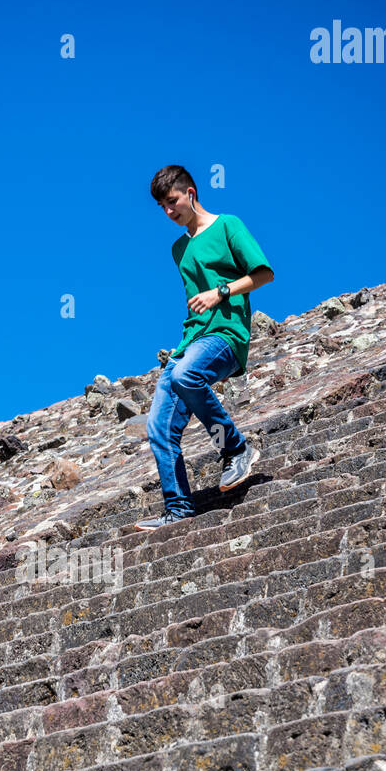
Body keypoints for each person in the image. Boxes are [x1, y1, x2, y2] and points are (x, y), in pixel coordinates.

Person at [135, 164, 275, 531]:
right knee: (157, 426)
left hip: (226, 335)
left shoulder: (228, 224)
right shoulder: (178, 248)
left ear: (191, 193)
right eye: (162, 207)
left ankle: (235, 449)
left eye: (172, 201)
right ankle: (178, 508)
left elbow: (264, 274)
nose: (168, 212)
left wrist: (221, 292)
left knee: (186, 374)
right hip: (190, 341)